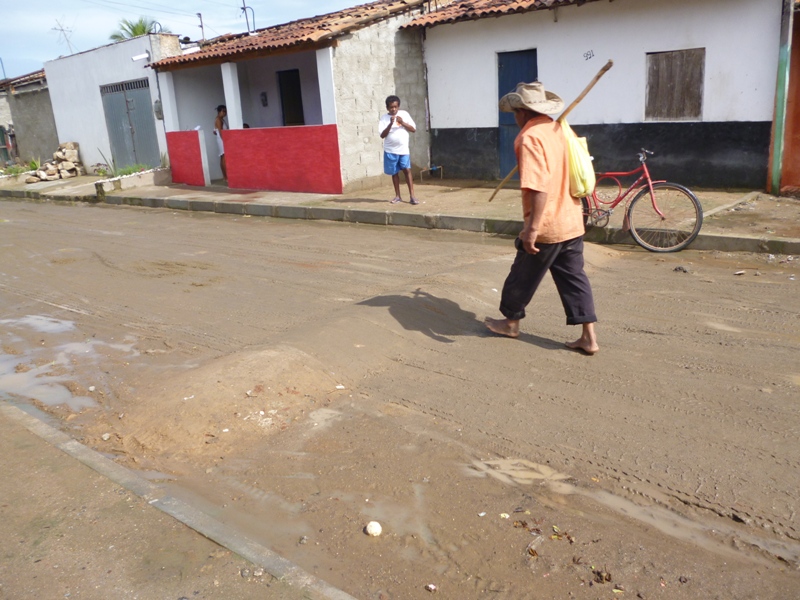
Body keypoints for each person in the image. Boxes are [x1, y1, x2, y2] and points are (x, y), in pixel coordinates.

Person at [484, 81, 599, 355]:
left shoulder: (528, 138)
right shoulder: (557, 129)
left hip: (548, 225)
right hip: (572, 220)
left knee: (520, 277)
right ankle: (589, 338)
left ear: (522, 111)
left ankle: (511, 323)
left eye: (515, 111)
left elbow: (538, 187)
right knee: (574, 279)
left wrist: (531, 230)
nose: (514, 116)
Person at [379, 95, 419, 205]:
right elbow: (382, 135)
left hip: (403, 150)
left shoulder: (404, 115)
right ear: (387, 108)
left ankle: (412, 196)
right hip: (390, 151)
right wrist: (390, 124)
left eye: (395, 107)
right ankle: (398, 196)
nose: (394, 109)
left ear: (398, 106)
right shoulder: (384, 118)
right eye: (391, 107)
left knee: (407, 170)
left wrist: (402, 123)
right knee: (394, 173)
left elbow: (413, 129)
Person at [213, 105, 227, 181]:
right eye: (223, 111)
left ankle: (225, 176)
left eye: (225, 111)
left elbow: (215, 131)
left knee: (223, 157)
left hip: (221, 139)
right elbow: (221, 131)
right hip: (222, 140)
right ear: (219, 111)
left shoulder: (221, 120)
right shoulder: (218, 120)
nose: (225, 113)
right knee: (223, 157)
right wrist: (225, 141)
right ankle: (225, 176)